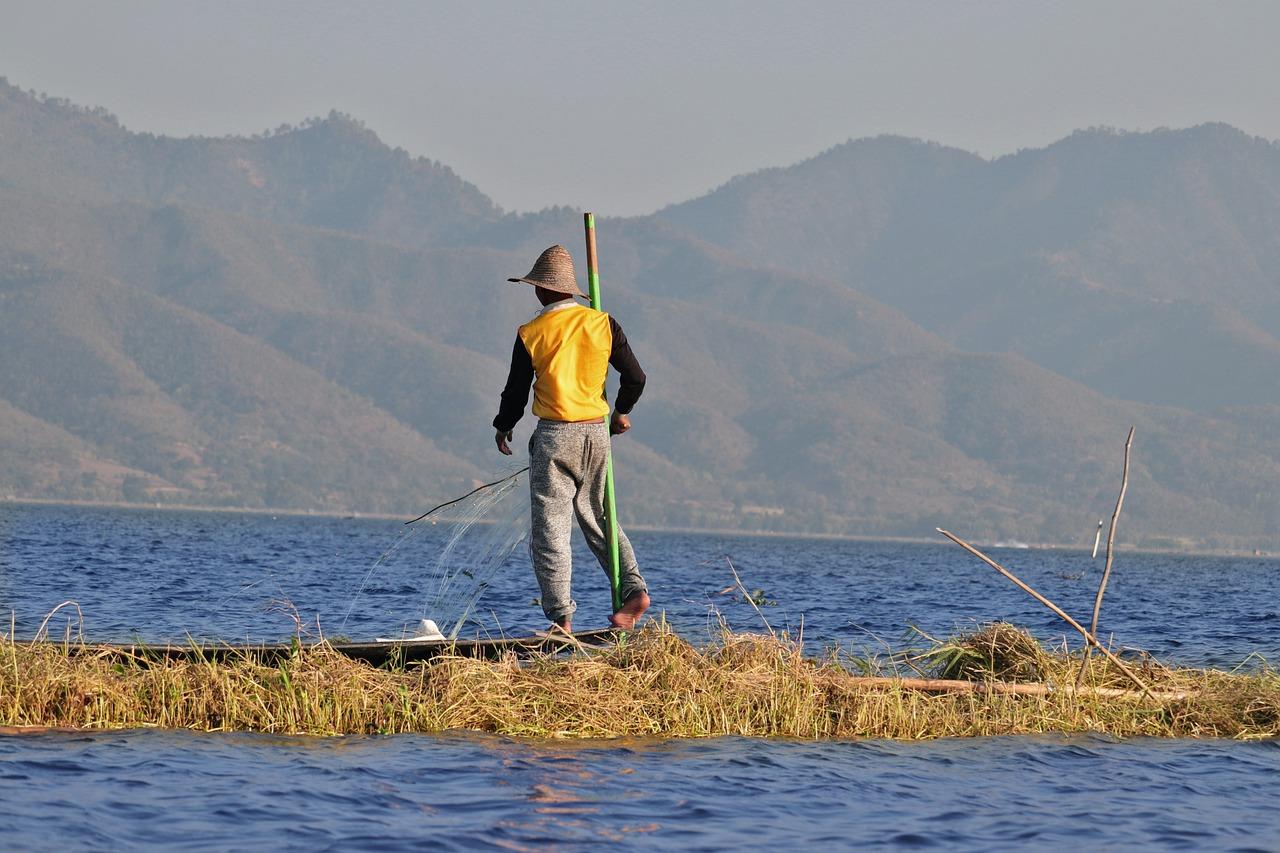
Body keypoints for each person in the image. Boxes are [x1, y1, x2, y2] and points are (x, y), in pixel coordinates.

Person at [493, 244, 650, 633]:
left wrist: (503, 424)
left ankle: (561, 619)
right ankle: (634, 591)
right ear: (570, 290)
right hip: (596, 434)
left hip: (555, 436)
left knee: (551, 528)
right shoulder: (604, 324)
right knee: (599, 517)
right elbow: (636, 377)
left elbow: (516, 391)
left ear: (540, 290)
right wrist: (621, 412)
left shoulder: (531, 333)